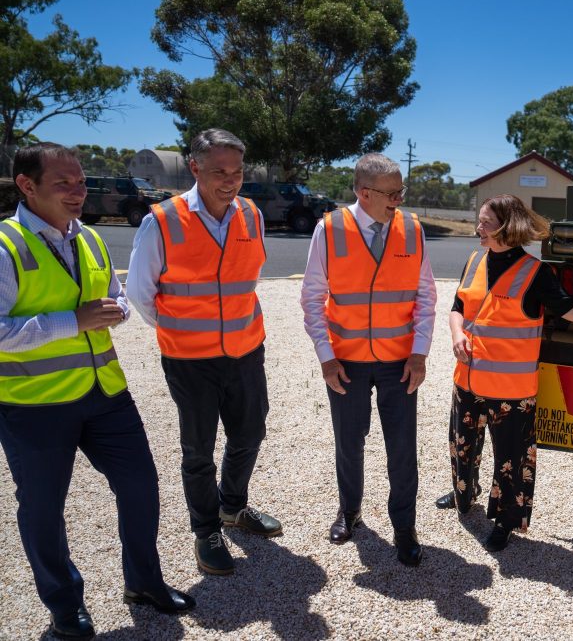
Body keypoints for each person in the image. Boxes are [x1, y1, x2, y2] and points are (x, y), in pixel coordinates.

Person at [0, 143, 194, 640]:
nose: (77, 192)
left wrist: (118, 310)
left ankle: (143, 583)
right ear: (27, 186)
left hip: (106, 394)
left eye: (81, 182)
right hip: (34, 405)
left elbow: (116, 296)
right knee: (43, 509)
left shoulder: (88, 238)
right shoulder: (6, 246)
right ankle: (65, 608)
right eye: (63, 183)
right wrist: (74, 321)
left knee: (141, 486)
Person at [436, 194, 573, 551]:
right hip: (467, 381)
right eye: (479, 221)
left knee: (512, 460)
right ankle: (464, 493)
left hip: (511, 391)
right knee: (462, 446)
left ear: (507, 229)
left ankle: (505, 521)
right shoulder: (474, 260)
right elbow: (457, 307)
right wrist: (456, 334)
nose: (478, 228)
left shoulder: (536, 273)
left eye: (486, 223)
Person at [127, 128, 281, 577]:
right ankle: (206, 531)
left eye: (237, 171)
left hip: (246, 350)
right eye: (219, 171)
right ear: (194, 168)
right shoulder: (162, 221)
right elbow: (140, 293)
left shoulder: (251, 215)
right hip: (190, 360)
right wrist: (180, 329)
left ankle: (233, 507)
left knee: (250, 434)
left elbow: (248, 280)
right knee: (198, 451)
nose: (230, 180)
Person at [299, 153, 437, 567]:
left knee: (402, 448)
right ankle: (350, 511)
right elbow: (312, 298)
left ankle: (404, 526)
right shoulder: (329, 229)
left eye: (401, 191)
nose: (399, 199)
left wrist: (420, 353)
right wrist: (326, 357)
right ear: (364, 192)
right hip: (347, 362)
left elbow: (426, 296)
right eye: (391, 193)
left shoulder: (412, 230)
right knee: (348, 442)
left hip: (400, 362)